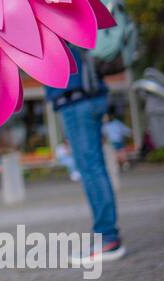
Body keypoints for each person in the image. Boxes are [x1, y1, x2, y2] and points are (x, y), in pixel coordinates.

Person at [44, 42, 125, 265]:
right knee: (95, 167)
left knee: (91, 169)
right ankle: (108, 235)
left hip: (76, 96)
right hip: (92, 91)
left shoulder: (48, 10)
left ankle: (108, 238)